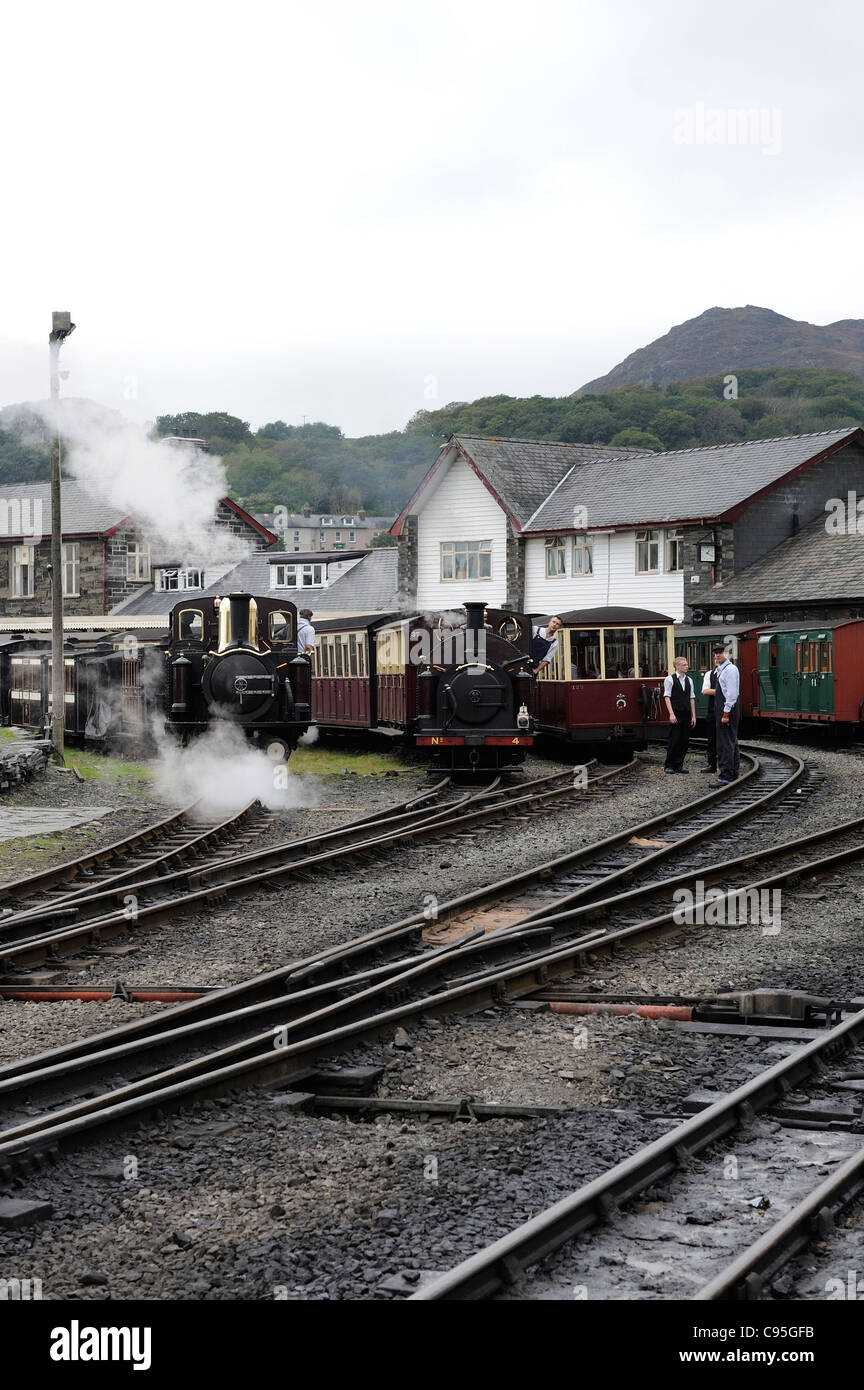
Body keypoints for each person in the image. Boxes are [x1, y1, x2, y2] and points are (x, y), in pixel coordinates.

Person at [663, 655, 696, 773]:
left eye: (686, 664)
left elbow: (692, 698)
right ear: (677, 666)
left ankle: (679, 765)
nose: (687, 666)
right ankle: (669, 765)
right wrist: (671, 714)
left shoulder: (689, 680)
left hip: (686, 713)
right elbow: (667, 697)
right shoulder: (669, 679)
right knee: (674, 739)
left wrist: (693, 715)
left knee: (684, 740)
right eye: (684, 664)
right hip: (676, 712)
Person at [713, 645, 741, 785]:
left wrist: (726, 712)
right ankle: (733, 773)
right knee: (731, 741)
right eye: (716, 653)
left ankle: (726, 775)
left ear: (727, 654)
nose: (717, 655)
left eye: (720, 653)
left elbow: (731, 693)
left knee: (725, 743)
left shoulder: (730, 670)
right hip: (726, 708)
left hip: (727, 709)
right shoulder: (722, 670)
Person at [699, 648, 723, 773]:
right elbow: (705, 691)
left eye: (719, 657)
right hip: (712, 710)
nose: (717, 660)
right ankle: (712, 764)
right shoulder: (709, 674)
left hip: (726, 709)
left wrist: (715, 692)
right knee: (711, 739)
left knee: (726, 738)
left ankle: (726, 764)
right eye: (715, 658)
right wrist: (721, 692)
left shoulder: (729, 672)